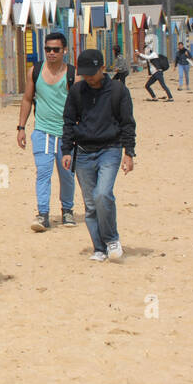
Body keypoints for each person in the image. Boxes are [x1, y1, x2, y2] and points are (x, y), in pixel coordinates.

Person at [61, 49, 136, 262]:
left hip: (110, 150)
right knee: (90, 204)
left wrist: (128, 153)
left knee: (103, 194)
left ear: (103, 68)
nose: (89, 78)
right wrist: (66, 150)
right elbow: (68, 121)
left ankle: (112, 239)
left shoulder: (118, 91)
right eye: (85, 73)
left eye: (92, 73)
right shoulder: (76, 91)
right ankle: (99, 248)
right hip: (83, 152)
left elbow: (128, 123)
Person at [16, 31, 77, 231]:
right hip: (42, 131)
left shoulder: (72, 75)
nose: (51, 53)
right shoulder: (35, 71)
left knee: (66, 174)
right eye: (47, 49)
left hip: (67, 133)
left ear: (64, 50)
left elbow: (80, 104)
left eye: (56, 49)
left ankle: (67, 210)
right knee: (43, 173)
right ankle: (43, 214)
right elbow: (27, 99)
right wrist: (21, 128)